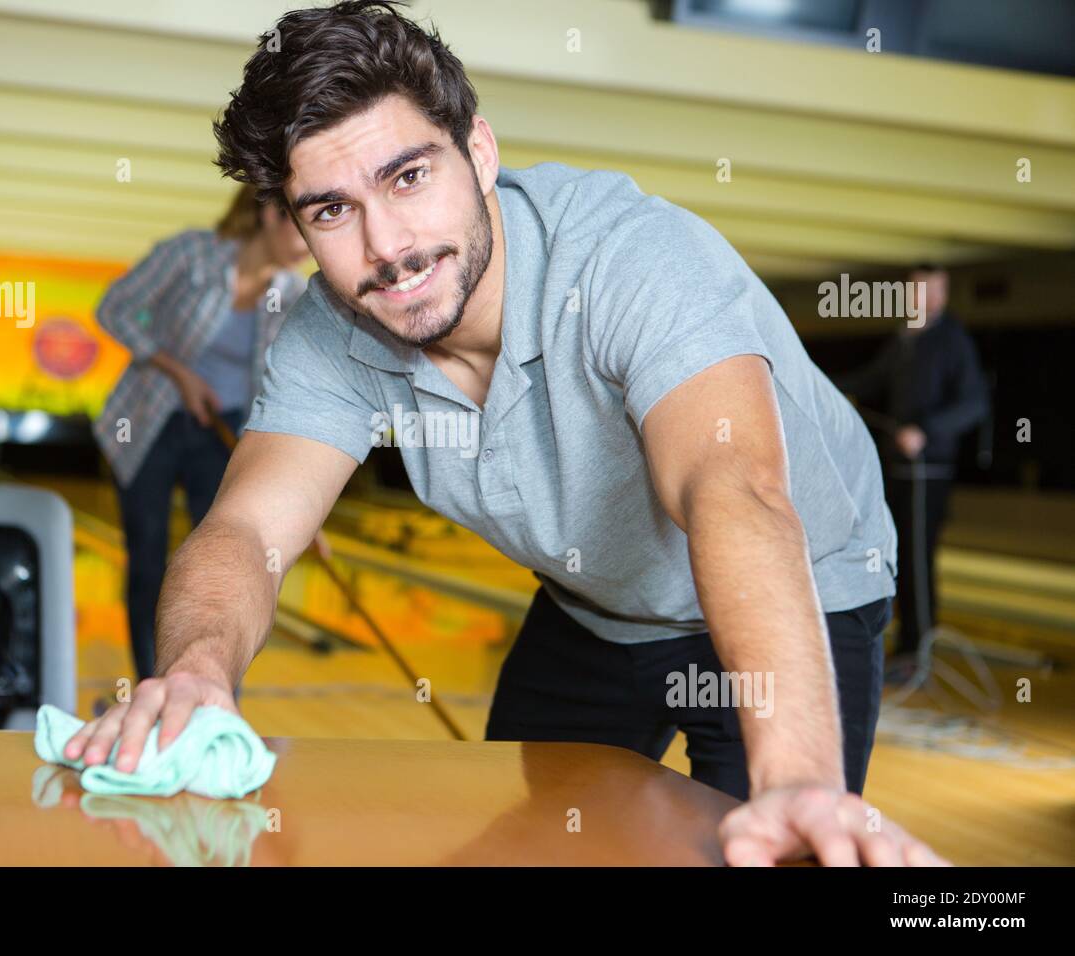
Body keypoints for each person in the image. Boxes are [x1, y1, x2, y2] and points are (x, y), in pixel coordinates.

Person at [69, 1, 949, 866]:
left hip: (800, 592)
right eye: (332, 210)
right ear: (300, 229)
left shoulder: (628, 259)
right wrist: (196, 671)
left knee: (761, 849)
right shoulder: (332, 330)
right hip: (597, 608)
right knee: (528, 849)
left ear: (479, 153)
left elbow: (732, 486)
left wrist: (796, 777)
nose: (388, 246)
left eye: (407, 177)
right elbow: (249, 530)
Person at [93, 184, 311, 682]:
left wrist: (302, 500)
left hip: (224, 431)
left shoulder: (294, 296)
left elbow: (282, 392)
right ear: (268, 213)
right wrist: (179, 372)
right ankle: (150, 686)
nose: (307, 242)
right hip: (150, 421)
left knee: (219, 564)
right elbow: (115, 308)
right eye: (298, 223)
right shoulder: (192, 255)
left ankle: (209, 689)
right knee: (148, 561)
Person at [836, 265, 989, 675]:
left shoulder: (952, 341)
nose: (922, 300)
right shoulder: (905, 338)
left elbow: (975, 403)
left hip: (928, 470)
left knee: (919, 558)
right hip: (898, 468)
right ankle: (905, 644)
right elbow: (870, 379)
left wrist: (926, 430)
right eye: (916, 292)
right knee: (896, 554)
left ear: (942, 295)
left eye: (930, 292)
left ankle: (917, 650)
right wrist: (826, 385)